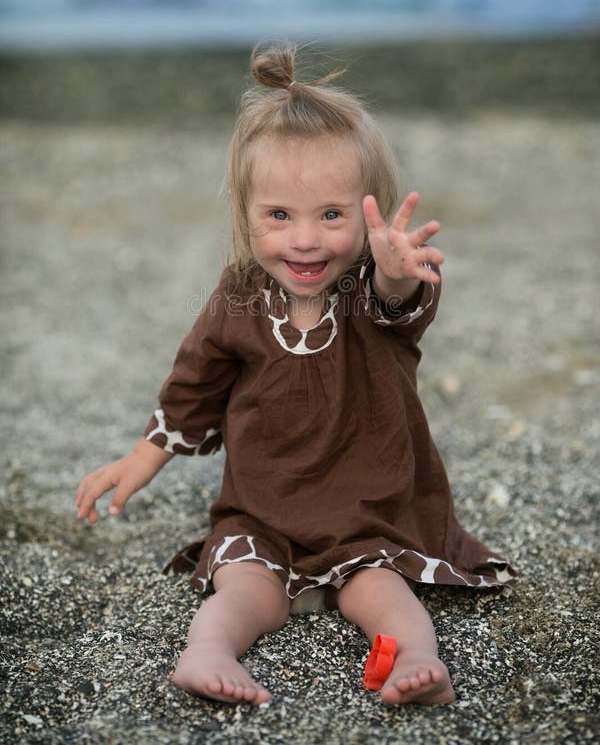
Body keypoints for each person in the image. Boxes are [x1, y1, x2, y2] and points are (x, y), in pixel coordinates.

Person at [76, 43, 515, 707]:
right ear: (245, 216)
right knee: (244, 589)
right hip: (264, 510)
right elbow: (195, 384)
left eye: (332, 216)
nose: (305, 241)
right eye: (279, 216)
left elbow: (402, 306)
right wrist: (143, 458)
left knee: (381, 591)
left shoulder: (371, 290)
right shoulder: (238, 297)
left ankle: (416, 661)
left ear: (370, 213)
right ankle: (207, 654)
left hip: (365, 516)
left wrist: (396, 272)